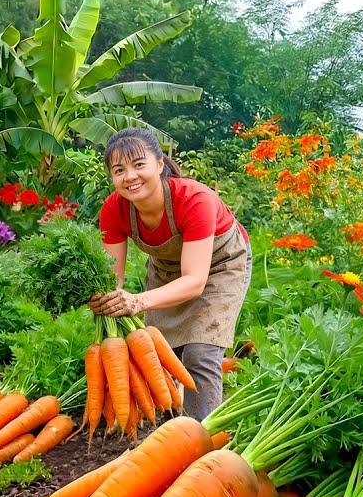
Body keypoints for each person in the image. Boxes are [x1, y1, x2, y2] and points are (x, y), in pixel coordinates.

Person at [87, 128, 251, 421]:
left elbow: (195, 281)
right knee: (164, 356)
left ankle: (202, 440)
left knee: (199, 355)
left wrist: (137, 302)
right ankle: (171, 433)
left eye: (139, 164)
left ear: (160, 165)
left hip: (219, 267)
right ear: (112, 177)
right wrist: (104, 300)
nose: (130, 176)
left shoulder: (194, 199)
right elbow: (114, 280)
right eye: (119, 169)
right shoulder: (114, 209)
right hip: (165, 270)